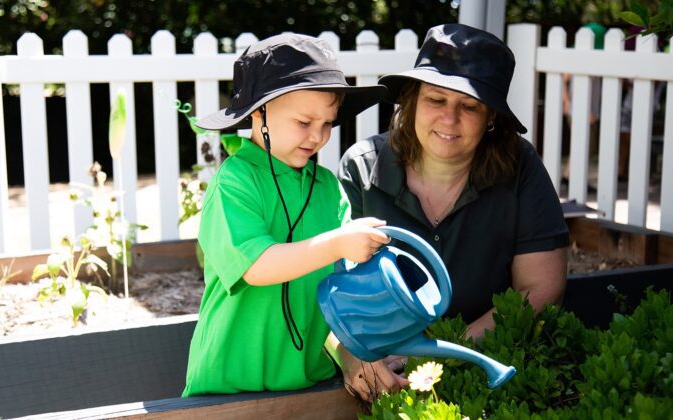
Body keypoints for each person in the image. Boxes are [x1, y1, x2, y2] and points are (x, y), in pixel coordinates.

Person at [182, 33, 407, 401]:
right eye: (304, 122)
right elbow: (256, 267)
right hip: (226, 388)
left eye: (327, 123)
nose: (317, 137)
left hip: (309, 388)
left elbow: (338, 298)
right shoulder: (236, 181)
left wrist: (353, 357)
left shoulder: (326, 189)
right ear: (259, 113)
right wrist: (338, 243)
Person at [339, 24, 570, 340]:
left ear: (491, 117)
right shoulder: (362, 167)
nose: (450, 118)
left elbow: (542, 288)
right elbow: (337, 288)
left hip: (485, 359)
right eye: (436, 99)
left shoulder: (520, 167)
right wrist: (364, 359)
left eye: (469, 105)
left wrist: (446, 352)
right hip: (382, 356)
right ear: (413, 100)